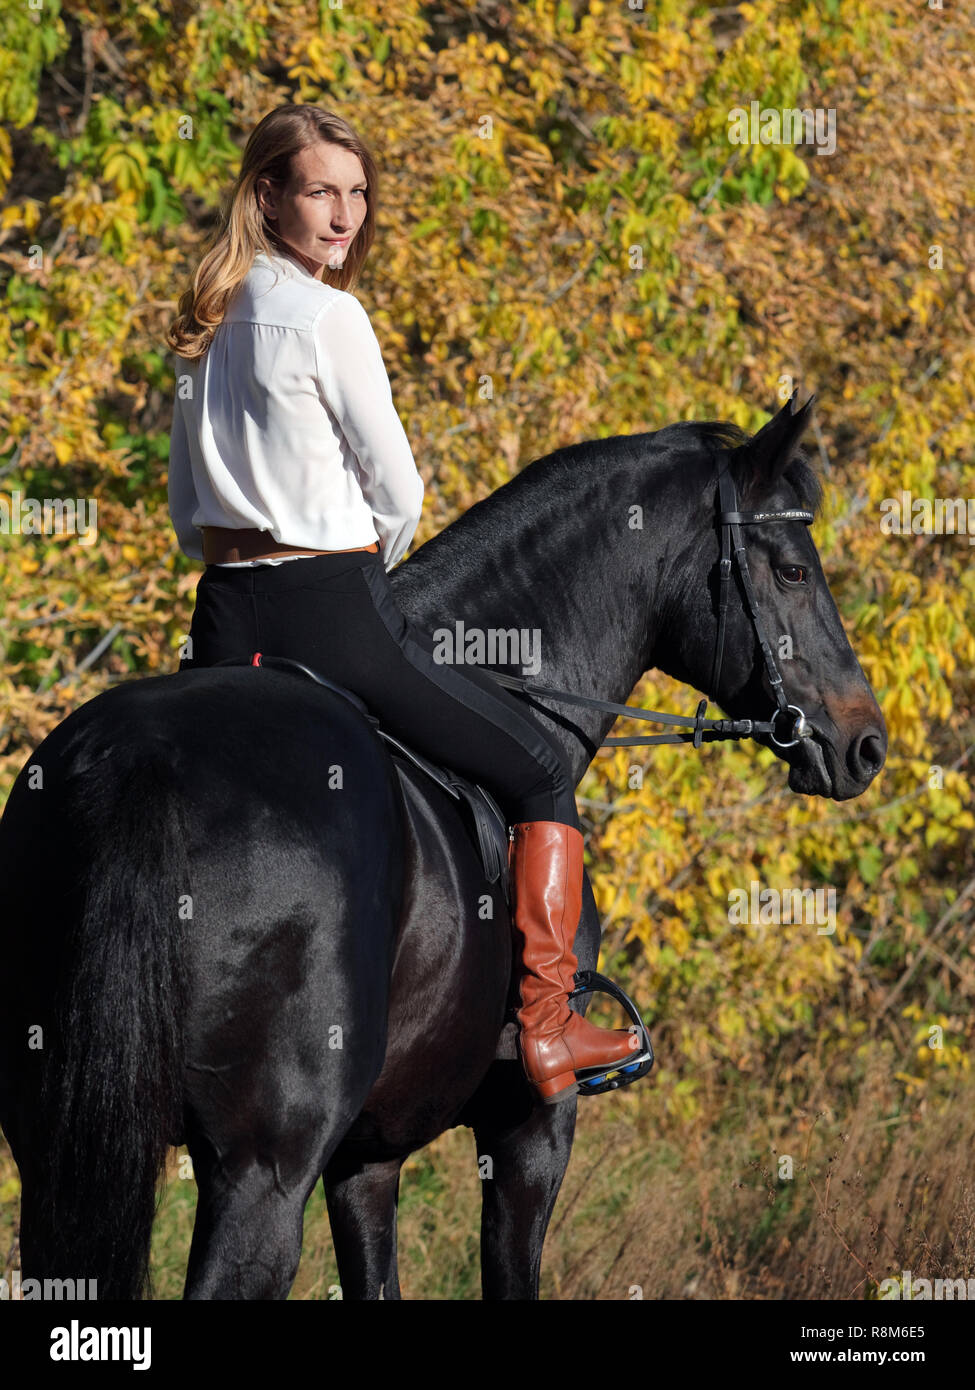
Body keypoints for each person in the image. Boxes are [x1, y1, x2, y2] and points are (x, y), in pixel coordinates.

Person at [165, 103, 638, 1104]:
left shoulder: (204, 318)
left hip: (221, 619)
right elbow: (402, 493)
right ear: (268, 198)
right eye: (320, 191)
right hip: (331, 611)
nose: (344, 214)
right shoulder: (333, 318)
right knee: (541, 767)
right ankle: (549, 1028)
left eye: (357, 193)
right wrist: (364, 572)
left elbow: (181, 514)